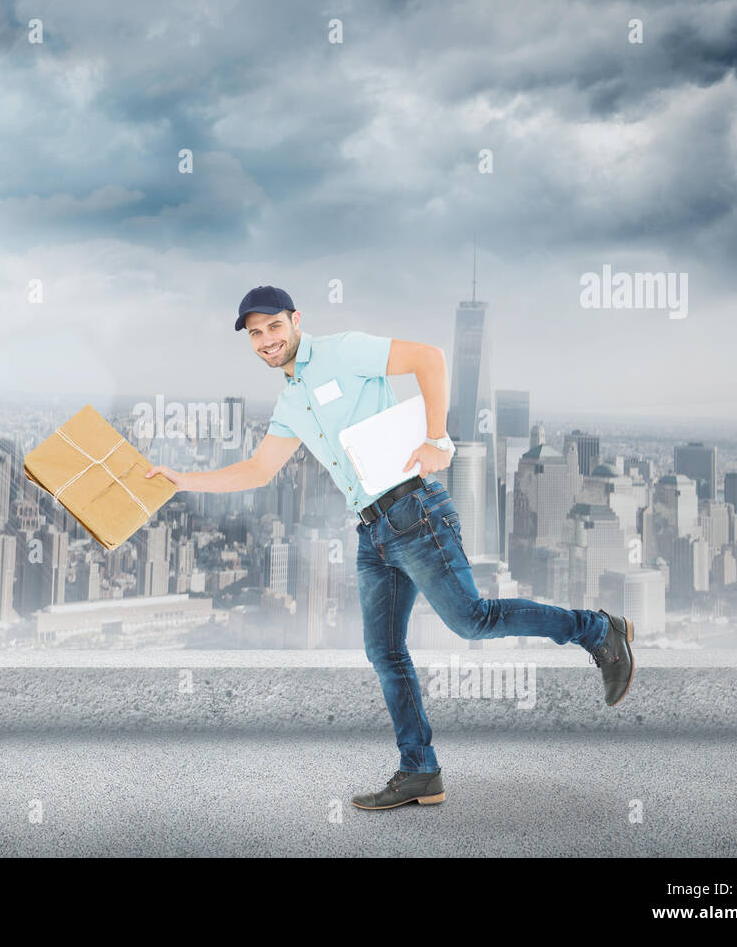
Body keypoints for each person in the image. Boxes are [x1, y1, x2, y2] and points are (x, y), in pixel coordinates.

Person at [145, 285, 636, 811]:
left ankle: (597, 630)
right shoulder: (290, 401)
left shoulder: (341, 350)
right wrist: (182, 480)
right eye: (256, 332)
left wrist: (436, 437)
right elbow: (258, 470)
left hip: (414, 512)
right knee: (384, 651)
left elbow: (430, 358)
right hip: (373, 531)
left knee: (472, 620)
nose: (266, 339)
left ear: (295, 320)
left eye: (274, 326)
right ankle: (420, 771)